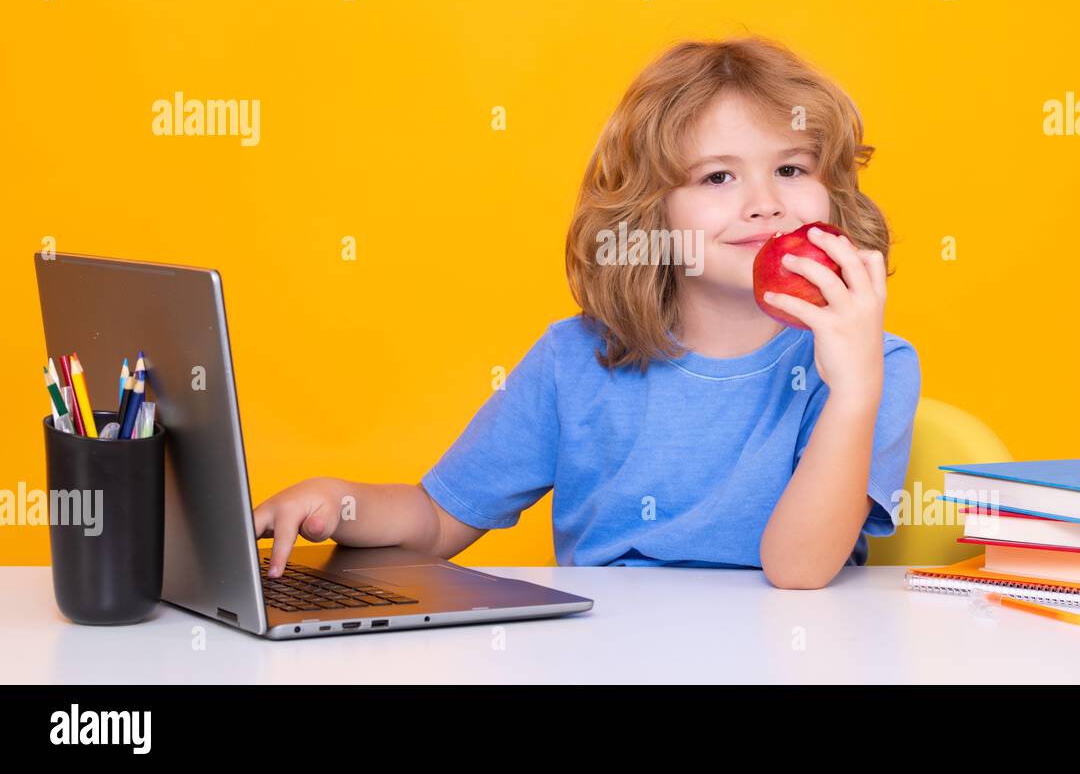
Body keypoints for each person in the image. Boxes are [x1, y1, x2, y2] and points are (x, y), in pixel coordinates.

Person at [254, 35, 921, 589]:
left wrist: (853, 391)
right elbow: (436, 520)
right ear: (649, 215)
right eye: (718, 177)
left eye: (793, 170)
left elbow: (799, 571)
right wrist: (338, 502)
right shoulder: (575, 358)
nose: (764, 204)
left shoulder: (873, 366)